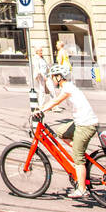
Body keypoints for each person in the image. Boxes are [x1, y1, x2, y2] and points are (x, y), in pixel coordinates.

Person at [37, 64, 98, 199]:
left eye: (53, 77)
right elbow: (54, 101)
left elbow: (56, 101)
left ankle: (82, 189)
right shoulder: (67, 87)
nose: (52, 80)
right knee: (60, 132)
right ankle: (79, 152)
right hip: (79, 122)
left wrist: (41, 110)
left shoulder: (68, 88)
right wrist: (42, 107)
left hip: (86, 124)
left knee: (78, 158)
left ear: (59, 77)